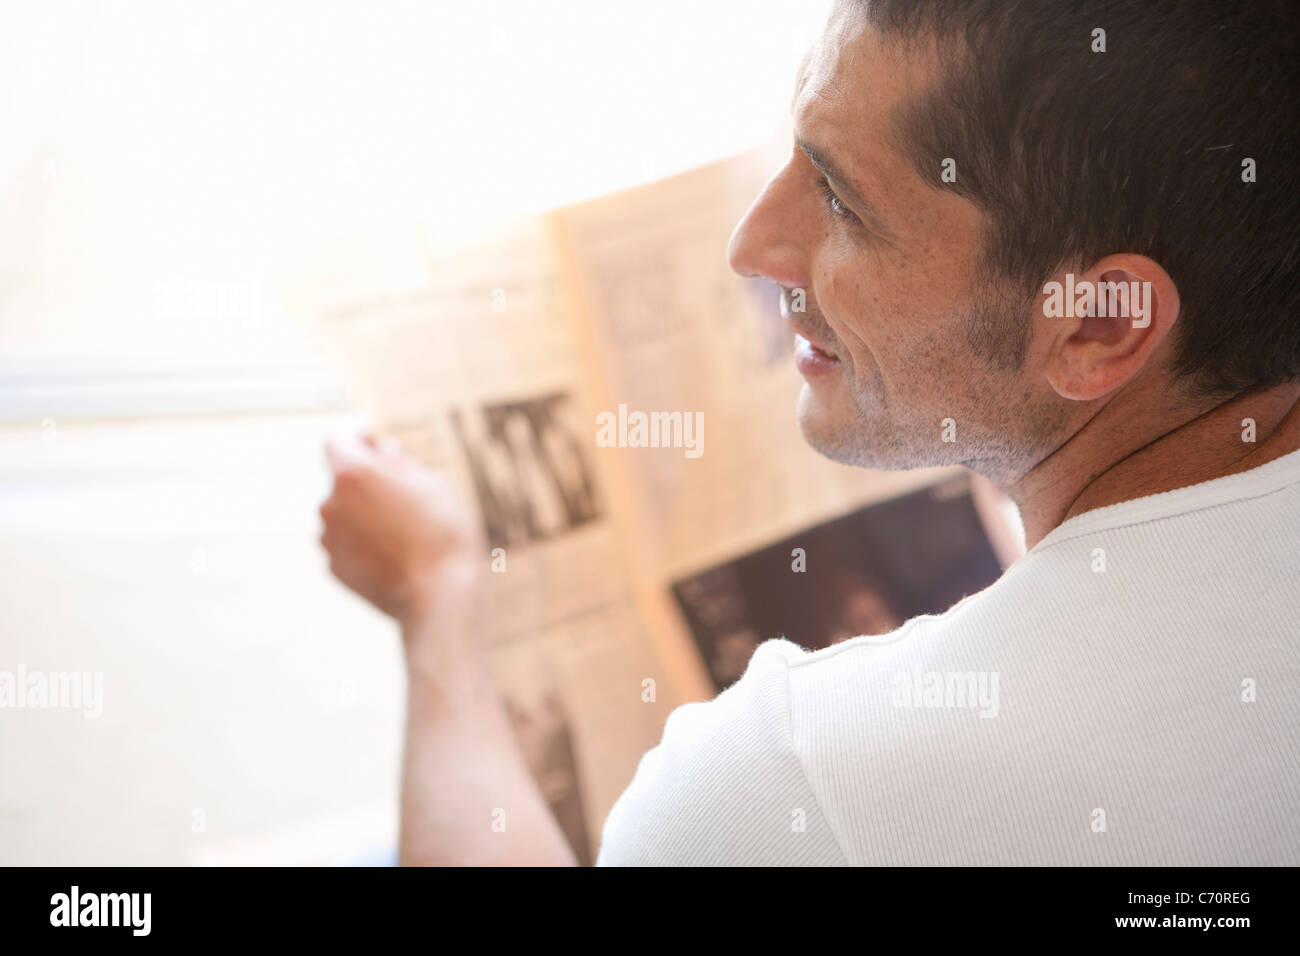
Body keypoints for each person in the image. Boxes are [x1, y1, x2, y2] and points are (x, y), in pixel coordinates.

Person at [319, 0, 1300, 865]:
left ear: (1097, 323)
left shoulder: (794, 780)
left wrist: (435, 604)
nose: (752, 247)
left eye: (841, 201)